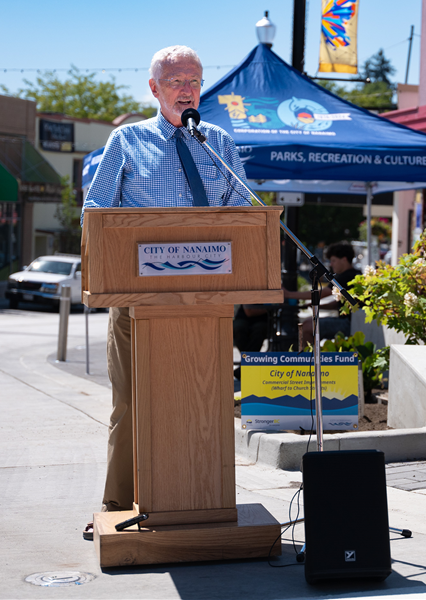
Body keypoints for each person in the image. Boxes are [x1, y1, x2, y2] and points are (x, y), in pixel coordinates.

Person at [81, 45, 251, 526]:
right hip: (138, 302)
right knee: (132, 405)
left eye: (194, 80)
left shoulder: (217, 140)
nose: (187, 88)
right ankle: (118, 506)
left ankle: (202, 501)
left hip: (207, 303)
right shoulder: (127, 141)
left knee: (203, 403)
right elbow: (95, 211)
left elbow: (241, 211)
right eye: (175, 80)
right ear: (154, 89)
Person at [284, 241, 359, 346]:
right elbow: (337, 305)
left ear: (344, 259)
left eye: (333, 260)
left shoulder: (347, 276)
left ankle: (307, 359)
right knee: (307, 323)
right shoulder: (353, 274)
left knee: (307, 326)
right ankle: (314, 354)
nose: (331, 264)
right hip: (349, 321)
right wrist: (317, 306)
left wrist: (288, 294)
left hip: (350, 324)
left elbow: (320, 294)